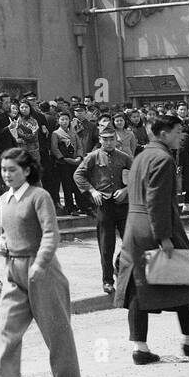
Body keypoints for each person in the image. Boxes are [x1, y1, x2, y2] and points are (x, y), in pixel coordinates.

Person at [114, 114, 189, 364]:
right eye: (177, 132)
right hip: (156, 228)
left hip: (134, 228)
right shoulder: (163, 159)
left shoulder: (142, 156)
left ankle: (141, 348)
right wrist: (164, 237)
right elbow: (157, 201)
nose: (181, 136)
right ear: (163, 134)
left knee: (138, 289)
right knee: (185, 278)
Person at [0, 147, 83, 377]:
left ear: (26, 171)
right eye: (3, 170)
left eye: (12, 170)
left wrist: (40, 263)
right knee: (6, 326)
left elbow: (51, 233)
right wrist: (2, 241)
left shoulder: (40, 196)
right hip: (14, 269)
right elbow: (8, 232)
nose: (6, 175)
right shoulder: (4, 199)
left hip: (43, 270)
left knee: (56, 329)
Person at [73, 125, 132, 295]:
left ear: (116, 140)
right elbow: (78, 175)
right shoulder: (92, 157)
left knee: (130, 242)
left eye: (111, 139)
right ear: (100, 140)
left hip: (122, 204)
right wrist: (92, 191)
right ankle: (107, 281)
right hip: (104, 206)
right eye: (105, 139)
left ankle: (119, 267)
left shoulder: (124, 157)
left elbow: (138, 174)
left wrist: (126, 190)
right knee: (106, 246)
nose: (108, 142)